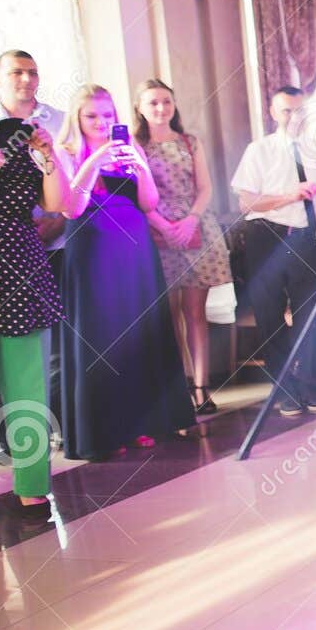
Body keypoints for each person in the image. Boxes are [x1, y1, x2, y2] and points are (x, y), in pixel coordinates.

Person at [55, 85, 194, 459]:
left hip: (134, 249)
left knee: (137, 331)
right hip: (93, 252)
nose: (101, 123)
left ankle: (142, 424)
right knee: (102, 335)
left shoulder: (128, 147)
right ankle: (105, 431)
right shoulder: (66, 152)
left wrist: (141, 168)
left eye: (107, 115)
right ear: (77, 118)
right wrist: (94, 162)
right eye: (92, 116)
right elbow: (71, 207)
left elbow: (149, 202)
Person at [0, 73, 69, 515]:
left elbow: (55, 203)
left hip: (21, 278)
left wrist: (48, 155)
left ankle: (32, 486)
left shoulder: (13, 147)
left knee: (28, 388)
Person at [231, 86, 316, 417]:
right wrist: (290, 195)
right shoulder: (259, 150)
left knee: (310, 313)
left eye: (300, 110)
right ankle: (285, 389)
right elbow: (247, 202)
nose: (294, 117)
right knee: (270, 315)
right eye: (287, 110)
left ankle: (310, 385)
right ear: (274, 113)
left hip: (303, 237)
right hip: (266, 237)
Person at [134, 79, 232, 417]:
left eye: (166, 101)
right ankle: (181, 384)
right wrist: (162, 224)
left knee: (195, 313)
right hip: (154, 227)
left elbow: (205, 187)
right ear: (140, 108)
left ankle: (201, 387)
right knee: (169, 314)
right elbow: (133, 191)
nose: (161, 108)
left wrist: (190, 219)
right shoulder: (134, 145)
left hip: (195, 226)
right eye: (153, 103)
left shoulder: (189, 141)